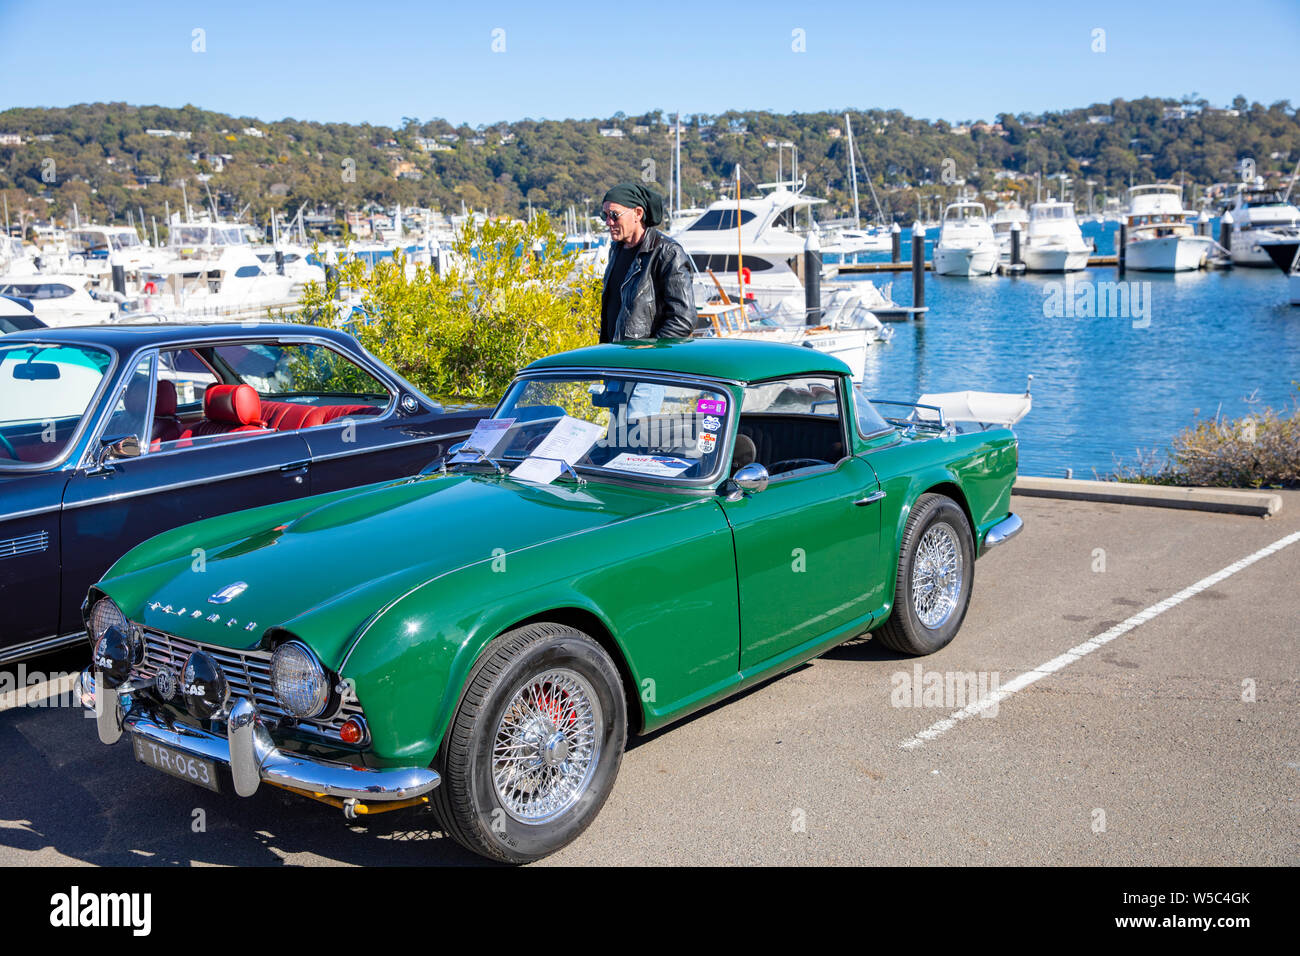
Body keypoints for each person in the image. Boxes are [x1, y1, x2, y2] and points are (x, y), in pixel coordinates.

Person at [598, 182, 696, 343]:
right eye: (605, 216)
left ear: (637, 213)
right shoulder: (615, 249)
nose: (608, 222)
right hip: (613, 357)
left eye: (614, 215)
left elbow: (683, 319)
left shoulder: (667, 252)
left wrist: (648, 352)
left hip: (640, 363)